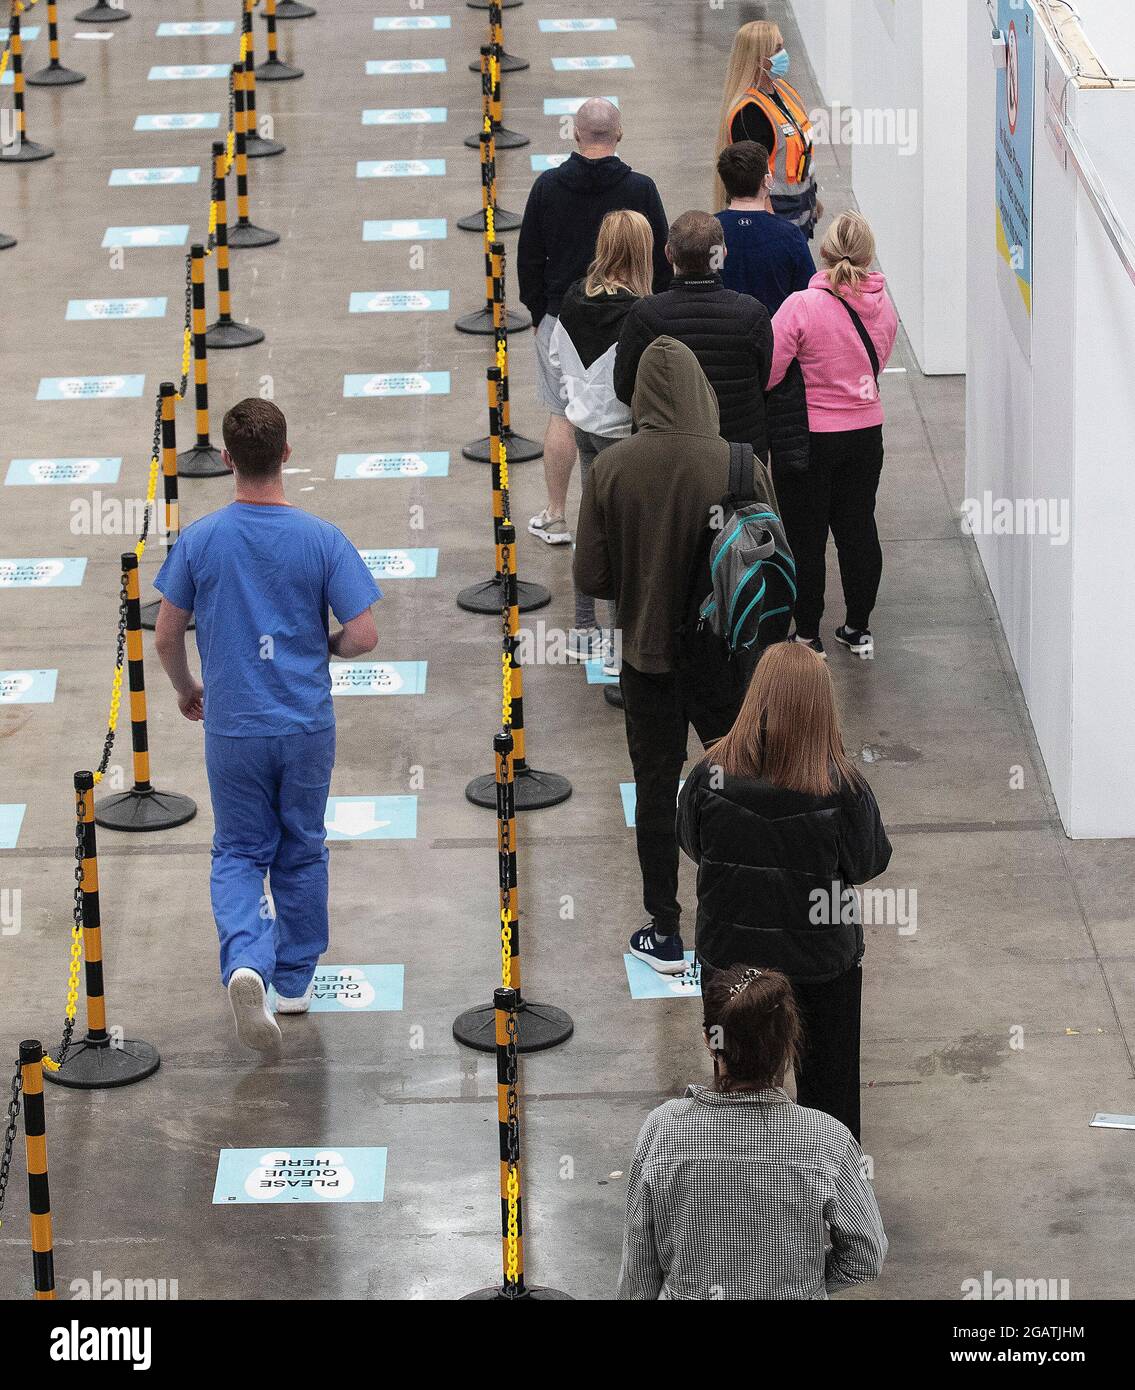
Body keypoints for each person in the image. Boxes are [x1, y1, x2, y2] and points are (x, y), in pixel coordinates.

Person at [153, 399, 380, 1053]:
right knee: (301, 848)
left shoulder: (199, 540)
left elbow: (167, 634)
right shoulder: (320, 538)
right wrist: (323, 648)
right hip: (305, 724)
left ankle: (246, 959)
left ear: (226, 460)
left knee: (238, 852)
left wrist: (187, 689)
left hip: (234, 728)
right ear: (287, 453)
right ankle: (296, 981)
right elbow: (364, 633)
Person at [575, 336, 747, 975]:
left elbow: (590, 575)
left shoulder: (615, 468)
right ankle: (731, 914)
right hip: (726, 655)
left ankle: (666, 932)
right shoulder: (737, 462)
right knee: (734, 783)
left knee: (655, 787)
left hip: (649, 659)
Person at [677, 641, 892, 1138]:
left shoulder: (709, 775)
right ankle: (834, 1196)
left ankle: (733, 1185)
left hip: (732, 967)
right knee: (831, 1094)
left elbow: (692, 845)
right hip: (819, 965)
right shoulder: (842, 785)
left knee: (736, 1086)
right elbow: (867, 864)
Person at [618, 964, 887, 1300]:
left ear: (709, 1040)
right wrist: (805, 1286)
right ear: (790, 1041)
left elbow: (639, 1266)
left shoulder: (663, 1130)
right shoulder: (827, 1140)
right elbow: (866, 1257)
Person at [517, 97, 671, 546]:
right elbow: (662, 256)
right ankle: (631, 524)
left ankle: (557, 514)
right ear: (619, 135)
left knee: (562, 413)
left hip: (563, 318)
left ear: (575, 134)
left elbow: (529, 256)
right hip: (630, 319)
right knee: (629, 418)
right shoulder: (641, 189)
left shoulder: (547, 187)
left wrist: (537, 314)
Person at [767, 211, 899, 657]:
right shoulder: (884, 307)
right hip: (866, 432)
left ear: (823, 254)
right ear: (868, 254)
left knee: (806, 539)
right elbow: (875, 363)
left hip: (810, 440)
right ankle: (858, 628)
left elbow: (769, 372)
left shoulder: (801, 306)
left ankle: (808, 635)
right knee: (858, 528)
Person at [548, 208, 654, 666]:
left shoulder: (573, 298)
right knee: (626, 540)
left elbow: (556, 358)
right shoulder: (639, 314)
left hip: (585, 430)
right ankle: (618, 646)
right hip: (624, 439)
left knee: (592, 529)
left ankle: (584, 629)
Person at [613, 210, 774, 457]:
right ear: (722, 254)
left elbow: (625, 388)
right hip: (738, 456)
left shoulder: (645, 315)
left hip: (668, 456)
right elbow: (762, 381)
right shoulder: (752, 314)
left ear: (668, 253)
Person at [714, 19, 820, 238]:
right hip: (775, 221)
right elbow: (753, 176)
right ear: (759, 59)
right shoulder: (749, 112)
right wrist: (772, 227)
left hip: (799, 212)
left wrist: (812, 200)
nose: (784, 54)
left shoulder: (783, 90)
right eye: (777, 49)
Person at [716, 141, 814, 316]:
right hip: (774, 335)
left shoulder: (709, 232)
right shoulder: (789, 236)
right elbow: (808, 296)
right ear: (766, 181)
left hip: (719, 334)